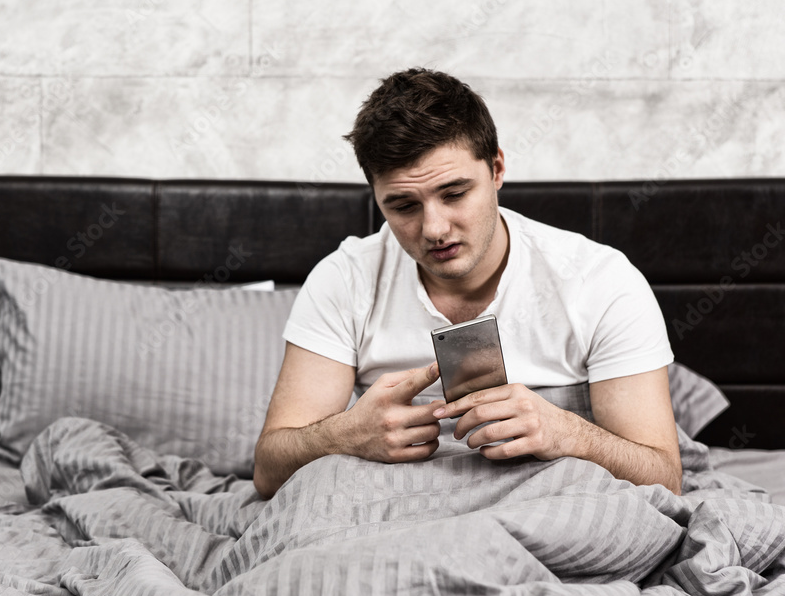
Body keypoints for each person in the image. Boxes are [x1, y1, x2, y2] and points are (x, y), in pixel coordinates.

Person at [252, 68, 682, 499]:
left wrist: (568, 431)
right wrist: (344, 434)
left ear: (496, 169)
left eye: (454, 194)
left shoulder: (600, 281)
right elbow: (268, 472)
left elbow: (664, 475)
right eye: (403, 206)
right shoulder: (344, 278)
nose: (435, 229)